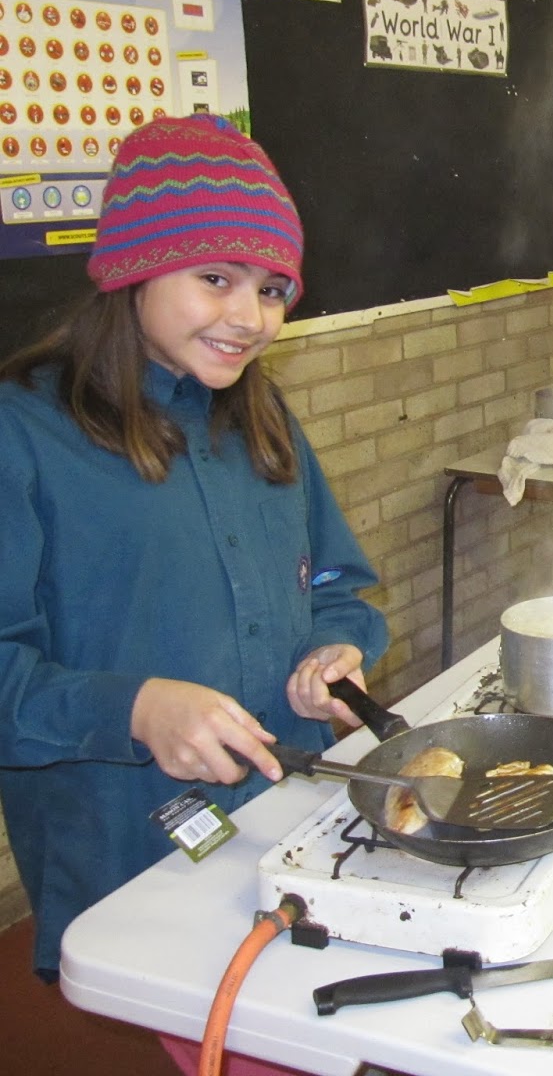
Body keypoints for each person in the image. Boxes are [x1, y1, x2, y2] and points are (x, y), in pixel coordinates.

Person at [0, 113, 388, 987]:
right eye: (216, 278)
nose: (248, 318)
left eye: (272, 290)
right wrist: (136, 710)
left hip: (279, 814)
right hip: (126, 843)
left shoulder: (259, 414)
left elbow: (336, 583)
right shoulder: (22, 434)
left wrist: (336, 647)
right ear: (133, 268)